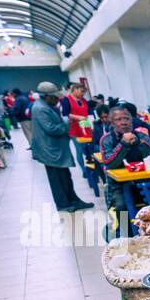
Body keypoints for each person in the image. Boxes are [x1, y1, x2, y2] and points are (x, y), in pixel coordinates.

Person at [30, 81, 92, 213]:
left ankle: (74, 200)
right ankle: (63, 204)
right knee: (57, 179)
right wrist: (66, 123)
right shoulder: (40, 108)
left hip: (56, 148)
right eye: (54, 96)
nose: (58, 98)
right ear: (46, 96)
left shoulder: (47, 105)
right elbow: (51, 129)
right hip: (49, 150)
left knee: (65, 176)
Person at [98, 104, 150, 228]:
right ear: (112, 122)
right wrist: (124, 144)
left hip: (144, 180)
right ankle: (126, 235)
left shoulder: (142, 137)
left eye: (126, 118)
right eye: (119, 119)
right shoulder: (107, 140)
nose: (124, 122)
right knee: (122, 206)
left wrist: (139, 144)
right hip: (118, 184)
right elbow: (109, 163)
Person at [58, 82, 95, 189]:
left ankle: (92, 168)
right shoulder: (66, 100)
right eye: (81, 91)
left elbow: (89, 111)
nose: (83, 94)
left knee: (88, 149)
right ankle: (84, 171)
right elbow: (65, 114)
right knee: (79, 150)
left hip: (86, 127)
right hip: (74, 128)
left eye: (84, 92)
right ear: (75, 89)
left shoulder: (83, 100)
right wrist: (78, 117)